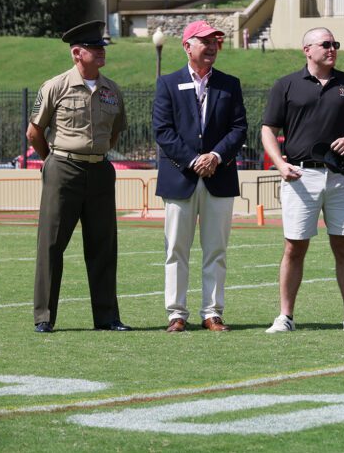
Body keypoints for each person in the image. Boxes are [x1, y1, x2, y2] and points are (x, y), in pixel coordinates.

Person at [261, 27, 344, 333]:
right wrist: (279, 164)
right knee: (293, 247)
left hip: (341, 176)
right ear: (307, 50)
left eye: (335, 44)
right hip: (300, 175)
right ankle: (285, 316)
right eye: (325, 44)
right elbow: (268, 130)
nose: (332, 49)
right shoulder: (286, 85)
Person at [28, 20, 130, 333]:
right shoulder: (55, 86)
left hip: (100, 170)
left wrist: (96, 154)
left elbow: (114, 133)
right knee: (52, 245)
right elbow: (34, 132)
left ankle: (107, 317)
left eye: (102, 47)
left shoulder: (112, 89)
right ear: (76, 53)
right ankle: (44, 317)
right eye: (94, 48)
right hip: (63, 168)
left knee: (103, 245)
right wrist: (52, 162)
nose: (101, 52)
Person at [153, 20, 248, 333]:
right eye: (204, 41)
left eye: (215, 42)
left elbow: (239, 128)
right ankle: (176, 314)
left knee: (216, 251)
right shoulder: (168, 83)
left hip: (218, 178)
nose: (211, 47)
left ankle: (212, 312)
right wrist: (194, 160)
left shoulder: (230, 84)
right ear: (187, 46)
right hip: (181, 178)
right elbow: (163, 131)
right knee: (175, 250)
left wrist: (216, 157)